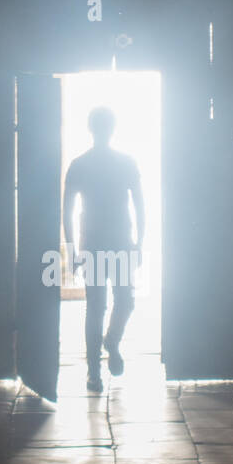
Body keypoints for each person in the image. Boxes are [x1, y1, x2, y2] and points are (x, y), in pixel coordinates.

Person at [62, 106, 144, 392]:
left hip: (97, 242)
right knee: (118, 302)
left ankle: (101, 359)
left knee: (99, 307)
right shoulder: (123, 162)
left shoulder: (80, 164)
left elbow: (67, 210)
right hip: (114, 241)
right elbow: (139, 205)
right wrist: (140, 242)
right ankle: (97, 364)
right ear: (110, 128)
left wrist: (73, 248)